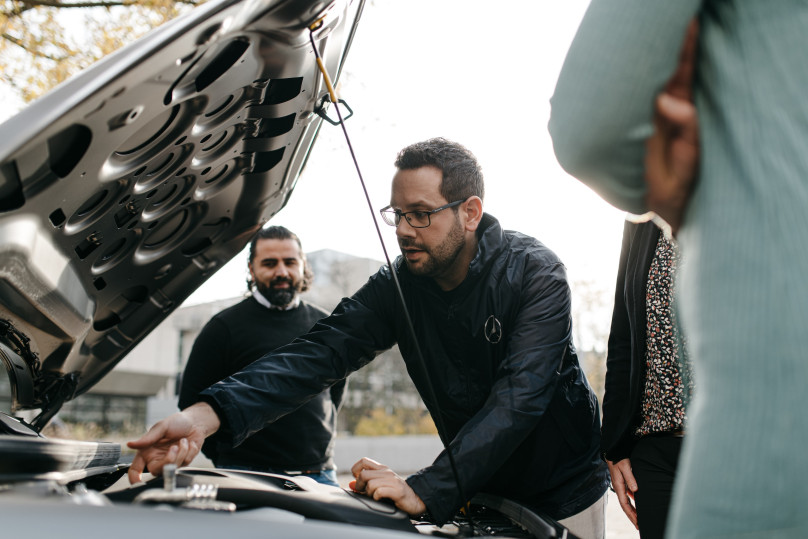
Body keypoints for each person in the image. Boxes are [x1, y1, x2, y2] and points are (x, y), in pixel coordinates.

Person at [128, 138, 610, 538]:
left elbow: (520, 396)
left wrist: (429, 487)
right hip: (473, 487)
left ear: (470, 212)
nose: (403, 231)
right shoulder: (397, 285)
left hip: (562, 488)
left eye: (420, 214)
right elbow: (319, 353)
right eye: (396, 214)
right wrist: (205, 415)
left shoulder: (535, 272)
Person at [549, 4, 808, 538]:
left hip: (763, 410)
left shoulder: (715, 188)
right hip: (659, 447)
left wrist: (684, 190)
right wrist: (618, 446)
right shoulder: (641, 229)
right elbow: (627, 335)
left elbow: (589, 130)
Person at [178, 226, 343, 486]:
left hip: (320, 475)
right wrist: (225, 458)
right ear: (252, 270)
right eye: (269, 263)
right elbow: (190, 400)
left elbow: (335, 394)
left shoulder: (326, 324)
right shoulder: (222, 328)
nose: (281, 272)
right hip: (245, 474)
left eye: (290, 262)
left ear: (303, 265)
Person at [603, 219, 691, 539]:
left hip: (737, 447)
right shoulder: (642, 217)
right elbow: (623, 335)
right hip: (655, 457)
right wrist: (615, 447)